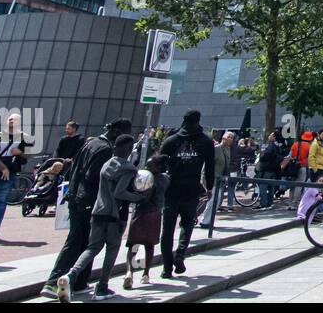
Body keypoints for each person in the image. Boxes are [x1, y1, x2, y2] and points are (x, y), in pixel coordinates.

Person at [40, 118, 132, 296]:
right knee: (78, 242)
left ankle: (80, 282)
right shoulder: (105, 150)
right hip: (89, 202)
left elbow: (74, 170)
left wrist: (72, 195)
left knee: (85, 242)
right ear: (116, 132)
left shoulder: (90, 144)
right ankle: (53, 282)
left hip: (77, 199)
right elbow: (94, 177)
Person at [59, 133, 149, 301]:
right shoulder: (128, 169)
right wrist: (139, 197)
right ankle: (102, 287)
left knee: (92, 248)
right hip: (113, 215)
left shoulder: (107, 164)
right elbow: (120, 192)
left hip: (97, 211)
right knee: (112, 249)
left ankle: (71, 275)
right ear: (129, 149)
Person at [158, 110, 216, 278]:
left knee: (167, 228)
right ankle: (180, 254)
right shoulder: (205, 141)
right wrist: (209, 187)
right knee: (187, 223)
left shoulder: (171, 140)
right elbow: (210, 167)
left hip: (172, 187)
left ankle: (167, 267)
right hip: (191, 188)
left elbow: (159, 163)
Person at [123, 154, 170, 290]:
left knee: (133, 245)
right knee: (149, 246)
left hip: (140, 213)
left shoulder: (144, 176)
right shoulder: (165, 179)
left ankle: (129, 271)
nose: (147, 167)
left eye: (150, 165)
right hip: (155, 214)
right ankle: (145, 274)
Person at [0, 112, 28, 242]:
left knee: (1, 199)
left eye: (14, 119)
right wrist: (3, 167)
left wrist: (21, 152)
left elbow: (30, 155)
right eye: (9, 119)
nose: (11, 121)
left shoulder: (24, 137)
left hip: (11, 172)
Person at [255, 129, 285, 208]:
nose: (269, 136)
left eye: (271, 135)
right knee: (271, 187)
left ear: (274, 137)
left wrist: (261, 158)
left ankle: (263, 203)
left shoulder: (271, 146)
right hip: (274, 170)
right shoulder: (279, 146)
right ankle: (270, 203)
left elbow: (265, 156)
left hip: (267, 169)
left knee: (263, 186)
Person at [215, 131, 235, 210]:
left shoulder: (228, 149)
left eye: (232, 138)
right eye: (229, 137)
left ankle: (208, 220)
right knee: (213, 202)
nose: (230, 139)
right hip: (214, 179)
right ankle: (205, 220)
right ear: (223, 138)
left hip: (222, 178)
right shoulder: (216, 148)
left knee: (217, 200)